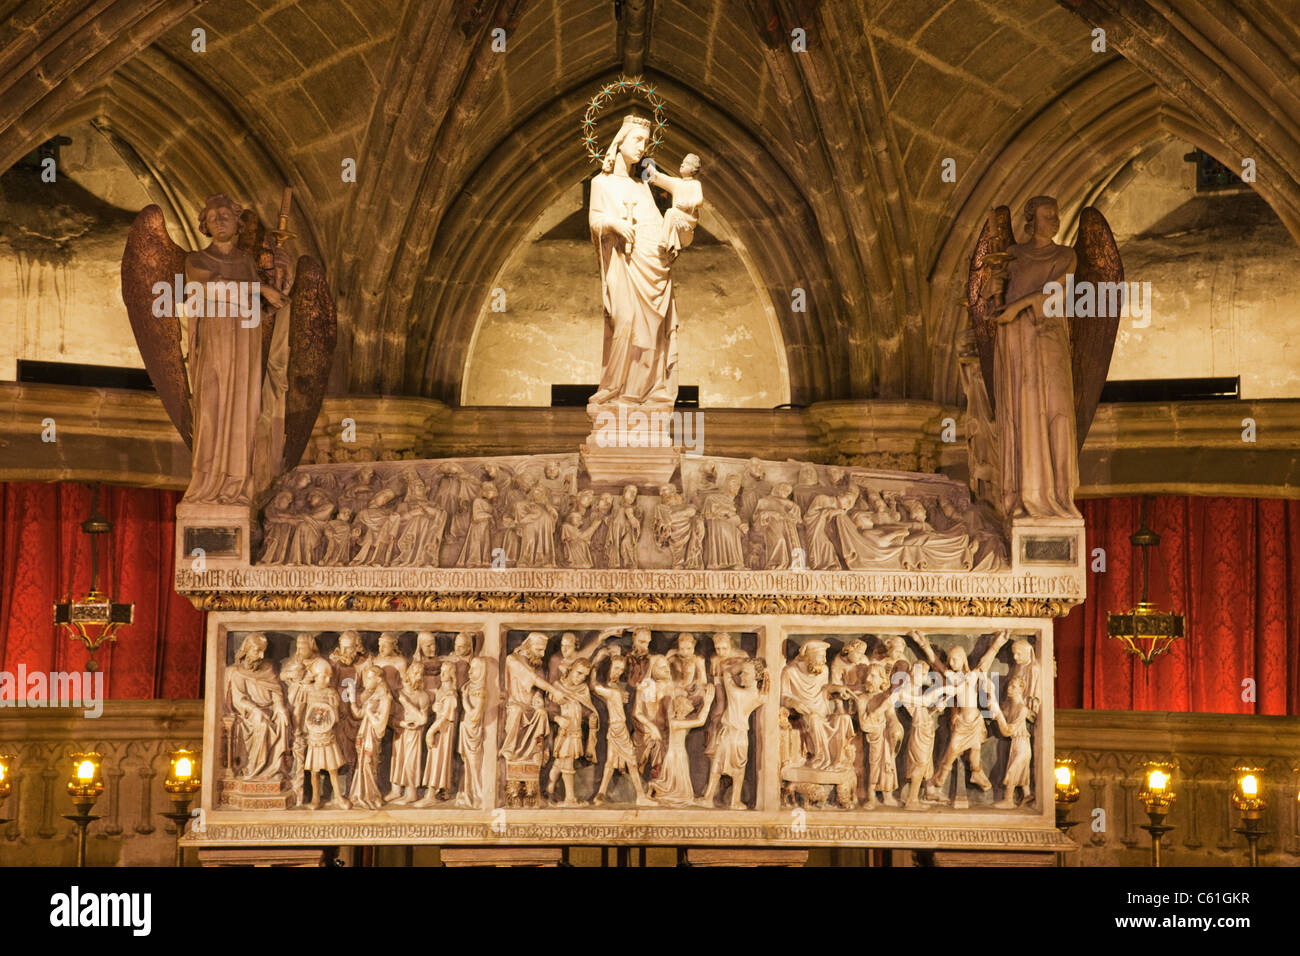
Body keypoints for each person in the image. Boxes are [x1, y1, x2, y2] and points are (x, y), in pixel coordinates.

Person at [589, 115, 695, 407]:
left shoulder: (642, 186)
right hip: (623, 264)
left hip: (651, 265)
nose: (641, 147)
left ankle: (640, 391)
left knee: (652, 331)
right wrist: (614, 224)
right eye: (637, 139)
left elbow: (655, 221)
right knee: (625, 320)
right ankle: (613, 387)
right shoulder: (602, 183)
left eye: (645, 142)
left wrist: (673, 232)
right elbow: (595, 220)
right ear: (620, 140)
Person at [990, 195, 1081, 518]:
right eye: (1048, 215)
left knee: (1056, 412)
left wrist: (1017, 306)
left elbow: (1056, 292)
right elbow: (994, 293)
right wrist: (995, 284)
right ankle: (1025, 493)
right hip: (1017, 339)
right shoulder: (1013, 255)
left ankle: (1055, 496)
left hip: (1048, 336)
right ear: (1032, 219)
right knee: (1024, 409)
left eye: (1057, 215)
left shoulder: (1065, 255)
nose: (1055, 220)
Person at [225, 633, 290, 780]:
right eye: (257, 651)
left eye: (263, 651)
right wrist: (256, 710)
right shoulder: (236, 672)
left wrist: (280, 706)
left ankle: (275, 769)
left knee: (282, 720)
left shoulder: (269, 667)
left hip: (270, 708)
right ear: (246, 650)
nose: (261, 656)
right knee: (261, 724)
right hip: (249, 713)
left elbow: (276, 690)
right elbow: (239, 700)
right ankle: (254, 769)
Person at [592, 655, 655, 806]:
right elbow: (594, 686)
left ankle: (600, 795)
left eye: (621, 669)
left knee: (610, 762)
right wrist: (594, 667)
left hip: (616, 726)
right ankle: (640, 796)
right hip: (618, 727)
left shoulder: (615, 687)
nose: (618, 672)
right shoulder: (611, 690)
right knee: (632, 760)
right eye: (616, 668)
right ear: (608, 668)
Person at [698, 662, 762, 809]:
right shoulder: (759, 695)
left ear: (756, 676)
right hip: (741, 737)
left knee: (718, 766)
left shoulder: (736, 693)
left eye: (745, 673)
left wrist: (741, 664)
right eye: (741, 672)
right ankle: (735, 800)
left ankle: (708, 797)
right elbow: (763, 697)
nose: (741, 676)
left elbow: (727, 673)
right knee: (738, 768)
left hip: (730, 735)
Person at [649, 686, 715, 807]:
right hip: (675, 755)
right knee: (677, 788)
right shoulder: (675, 722)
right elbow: (700, 721)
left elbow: (696, 718)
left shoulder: (681, 721)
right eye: (686, 702)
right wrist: (708, 703)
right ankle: (657, 788)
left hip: (680, 754)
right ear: (680, 708)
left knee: (681, 788)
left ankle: (668, 792)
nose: (689, 703)